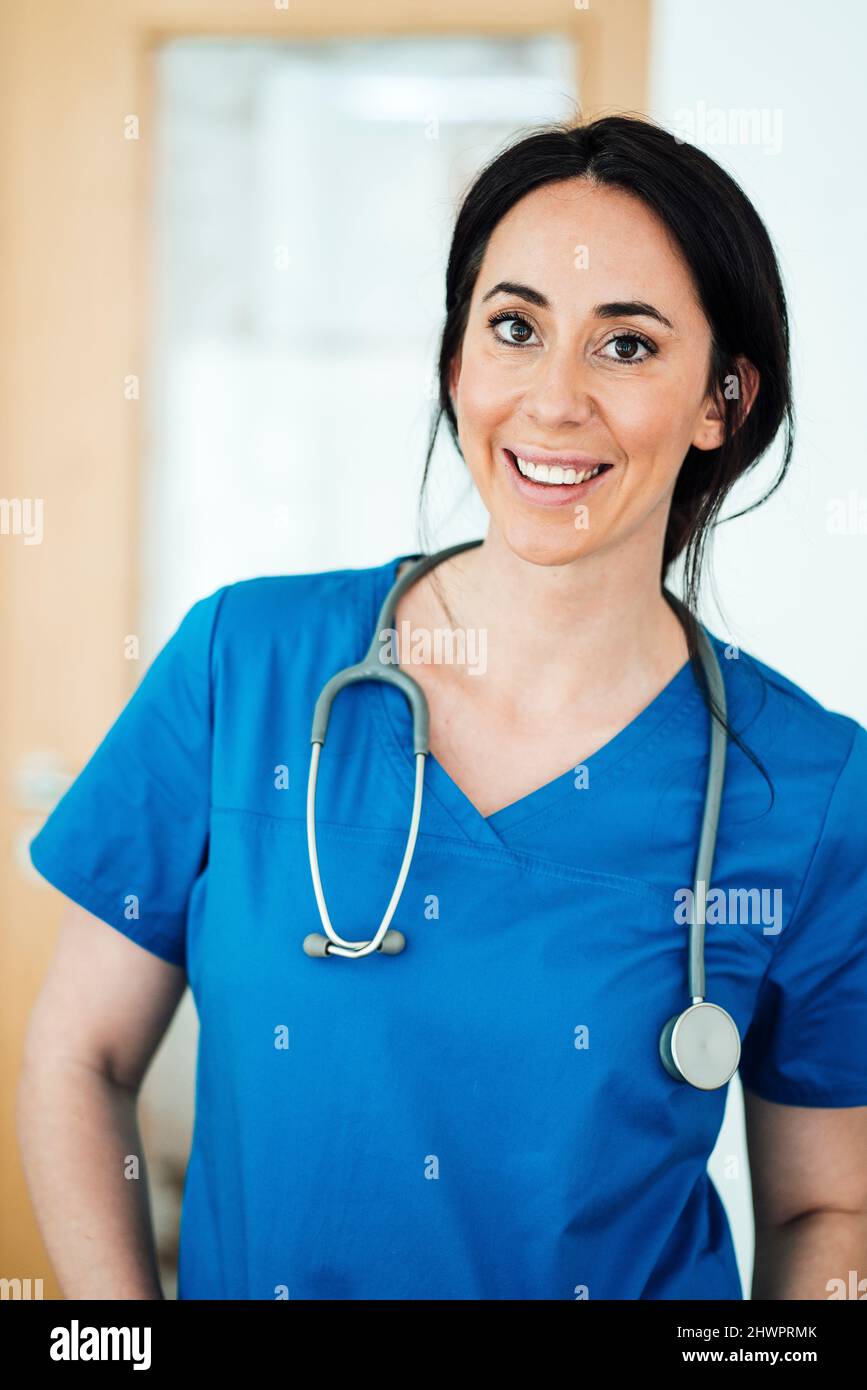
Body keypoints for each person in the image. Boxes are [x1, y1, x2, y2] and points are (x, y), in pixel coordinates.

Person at [18, 115, 867, 1301]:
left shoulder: (811, 786)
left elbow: (828, 1202)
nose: (554, 400)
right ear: (458, 360)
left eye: (627, 347)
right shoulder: (245, 664)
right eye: (514, 328)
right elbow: (78, 1054)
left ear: (721, 399)